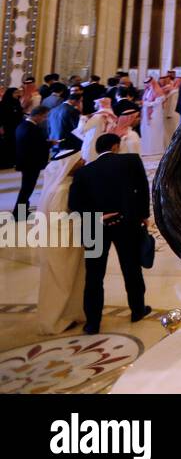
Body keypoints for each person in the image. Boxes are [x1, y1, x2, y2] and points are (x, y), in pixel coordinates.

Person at [68, 133, 150, 333]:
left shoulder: (83, 173)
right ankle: (137, 310)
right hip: (126, 223)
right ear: (115, 146)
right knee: (131, 269)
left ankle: (92, 323)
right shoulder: (130, 161)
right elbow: (143, 189)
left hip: (94, 227)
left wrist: (97, 216)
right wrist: (143, 215)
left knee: (94, 275)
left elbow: (74, 205)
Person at [34, 136, 86, 335]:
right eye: (79, 160)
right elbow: (60, 220)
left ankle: (69, 314)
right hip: (61, 244)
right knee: (59, 283)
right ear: (69, 165)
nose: (82, 162)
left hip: (59, 243)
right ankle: (55, 320)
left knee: (67, 281)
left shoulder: (58, 186)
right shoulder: (62, 189)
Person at [14, 105, 51, 214]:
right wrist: (49, 143)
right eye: (44, 116)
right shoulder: (32, 128)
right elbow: (37, 146)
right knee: (27, 189)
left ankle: (23, 209)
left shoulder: (22, 125)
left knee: (26, 188)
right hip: (31, 163)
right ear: (37, 115)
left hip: (25, 161)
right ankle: (19, 213)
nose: (45, 119)